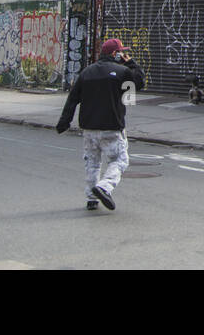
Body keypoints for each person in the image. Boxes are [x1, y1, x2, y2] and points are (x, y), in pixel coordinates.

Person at [56, 37, 145, 211]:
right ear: (115, 53)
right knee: (120, 160)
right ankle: (104, 187)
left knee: (92, 162)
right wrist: (132, 64)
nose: (123, 55)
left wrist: (64, 122)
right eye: (121, 52)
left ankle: (91, 197)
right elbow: (138, 84)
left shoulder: (86, 72)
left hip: (89, 128)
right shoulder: (122, 72)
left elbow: (72, 99)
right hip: (112, 126)